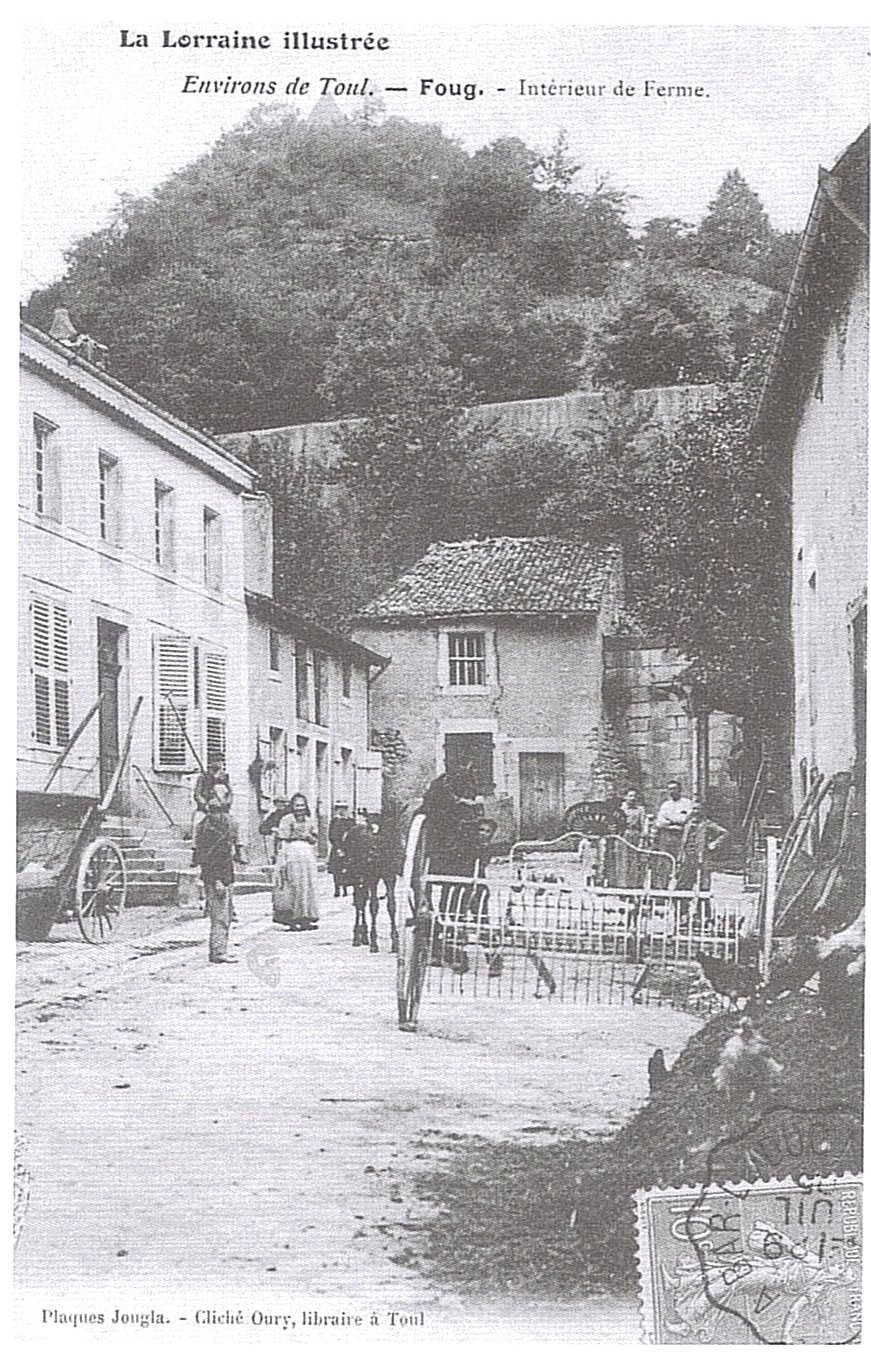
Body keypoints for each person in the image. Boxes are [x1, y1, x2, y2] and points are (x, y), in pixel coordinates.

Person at [192, 798, 238, 963]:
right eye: (215, 810)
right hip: (217, 878)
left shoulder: (219, 827)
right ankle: (218, 952)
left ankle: (221, 949)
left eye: (221, 810)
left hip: (225, 877)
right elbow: (208, 859)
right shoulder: (208, 831)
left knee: (225, 916)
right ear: (209, 811)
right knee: (219, 917)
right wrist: (218, 880)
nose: (219, 814)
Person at [268, 793, 319, 931]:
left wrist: (308, 836)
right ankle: (290, 919)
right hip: (291, 852)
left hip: (306, 854)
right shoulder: (286, 819)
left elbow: (315, 838)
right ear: (292, 806)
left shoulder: (310, 820)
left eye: (302, 805)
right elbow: (283, 836)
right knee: (292, 884)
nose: (300, 809)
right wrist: (294, 835)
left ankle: (305, 918)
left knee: (306, 885)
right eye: (297, 805)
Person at [344, 810, 381, 950]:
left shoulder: (385, 833)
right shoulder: (357, 831)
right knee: (360, 894)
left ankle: (367, 928)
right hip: (361, 866)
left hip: (376, 866)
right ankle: (360, 926)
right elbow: (348, 848)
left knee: (371, 895)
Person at [675, 800, 729, 893]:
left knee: (703, 885)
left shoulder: (707, 824)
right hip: (687, 857)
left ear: (703, 811)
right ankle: (682, 906)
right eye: (694, 809)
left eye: (699, 809)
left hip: (702, 857)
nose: (696, 811)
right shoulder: (688, 823)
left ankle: (703, 906)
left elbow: (724, 833)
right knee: (683, 884)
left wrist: (714, 843)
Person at [652, 780, 693, 886]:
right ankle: (661, 892)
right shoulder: (665, 805)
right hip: (666, 837)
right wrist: (674, 822)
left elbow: (684, 820)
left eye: (674, 788)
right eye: (669, 789)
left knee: (681, 863)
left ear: (680, 790)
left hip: (681, 837)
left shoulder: (687, 803)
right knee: (664, 863)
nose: (672, 791)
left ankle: (679, 892)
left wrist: (669, 819)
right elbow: (660, 822)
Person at [327, 804, 352, 898]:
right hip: (338, 847)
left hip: (349, 848)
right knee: (336, 869)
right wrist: (337, 847)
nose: (342, 811)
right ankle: (337, 888)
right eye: (340, 809)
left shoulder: (350, 820)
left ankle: (345, 888)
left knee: (348, 869)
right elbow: (332, 835)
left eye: (344, 809)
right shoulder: (335, 821)